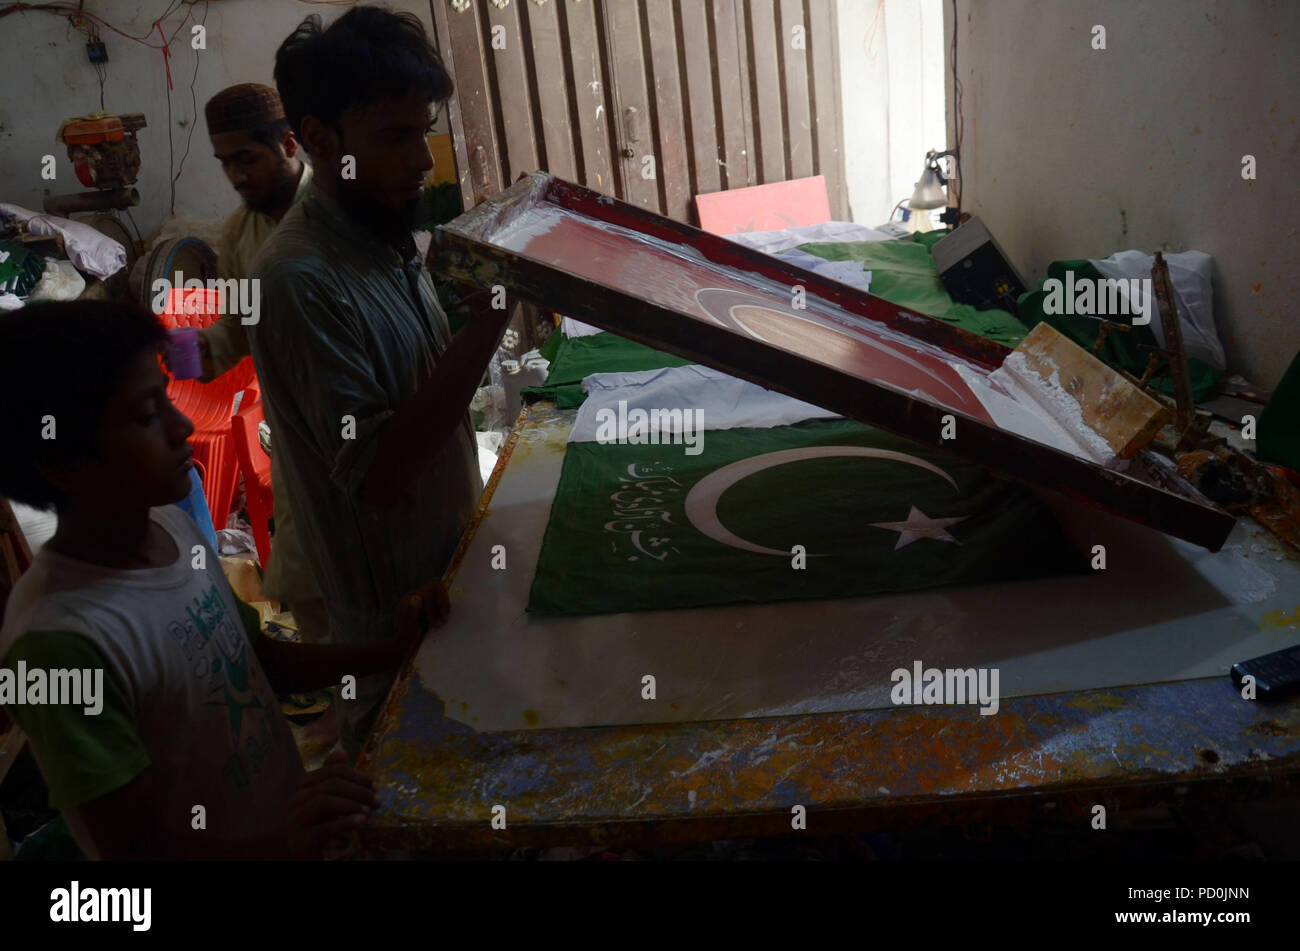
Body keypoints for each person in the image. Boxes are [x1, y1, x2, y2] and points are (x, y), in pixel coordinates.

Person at [0, 300, 441, 859]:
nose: (182, 425)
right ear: (62, 464)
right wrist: (286, 843)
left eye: (166, 401)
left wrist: (392, 651)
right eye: (145, 416)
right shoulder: (58, 642)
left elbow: (257, 662)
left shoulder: (172, 529)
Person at [251, 7, 510, 757]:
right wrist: (488, 324)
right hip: (397, 643)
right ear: (320, 141)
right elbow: (382, 474)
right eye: (396, 137)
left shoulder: (382, 236)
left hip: (450, 595)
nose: (424, 161)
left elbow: (423, 400)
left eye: (422, 131)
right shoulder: (299, 279)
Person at [194, 82, 327, 645]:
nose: (236, 176)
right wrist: (188, 353)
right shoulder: (239, 234)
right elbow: (235, 328)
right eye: (226, 164)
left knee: (386, 564)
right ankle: (346, 684)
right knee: (305, 574)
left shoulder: (339, 210)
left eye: (246, 159)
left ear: (290, 144)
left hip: (365, 413)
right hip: (295, 428)